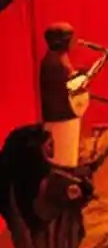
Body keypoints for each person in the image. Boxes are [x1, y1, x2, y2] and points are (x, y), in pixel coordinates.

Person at [0, 125, 92, 248]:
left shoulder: (11, 183)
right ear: (35, 150)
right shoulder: (50, 184)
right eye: (49, 146)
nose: (53, 152)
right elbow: (79, 192)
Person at [38, 24, 80, 168]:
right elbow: (65, 88)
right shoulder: (54, 62)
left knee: (68, 158)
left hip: (66, 116)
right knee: (63, 162)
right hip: (60, 120)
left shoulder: (60, 59)